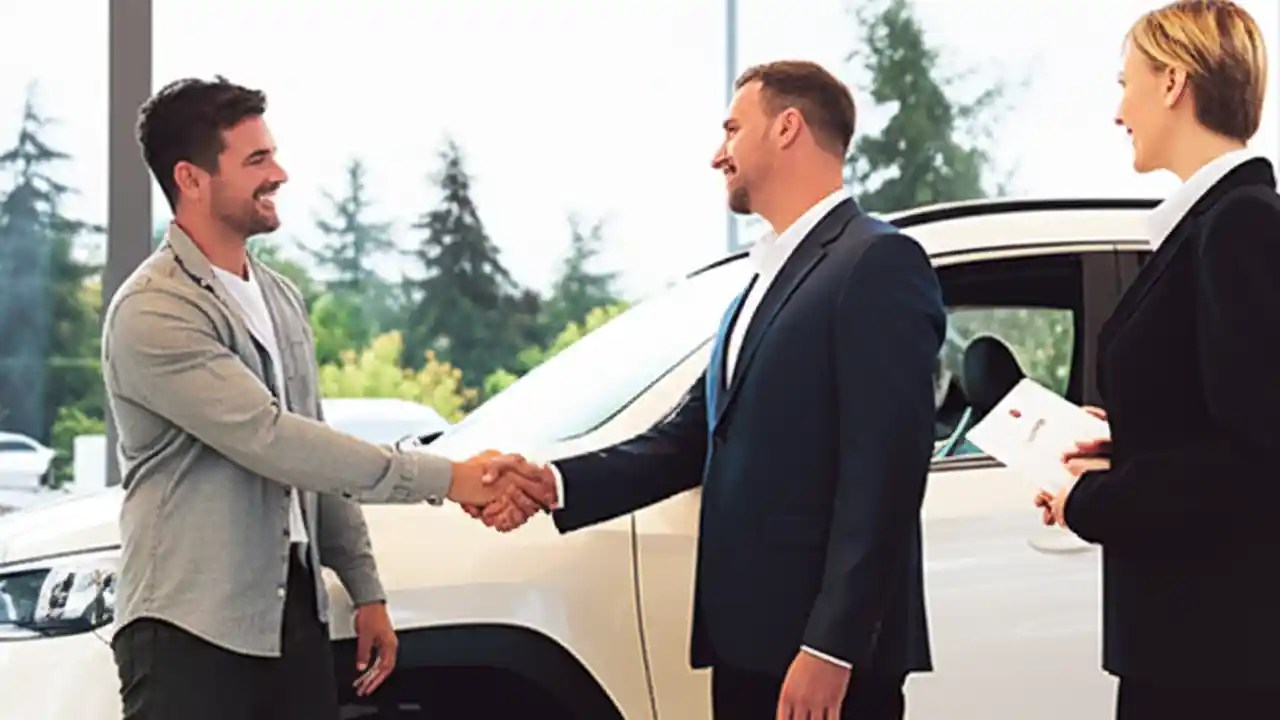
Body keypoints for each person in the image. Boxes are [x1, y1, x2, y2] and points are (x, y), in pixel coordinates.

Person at [474, 60, 945, 720]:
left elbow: (886, 477)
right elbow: (687, 439)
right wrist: (553, 481)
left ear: (787, 128)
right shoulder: (762, 283)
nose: (716, 154)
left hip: (820, 660)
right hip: (749, 647)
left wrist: (833, 649)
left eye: (731, 128)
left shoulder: (877, 262)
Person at [102, 76, 551, 720]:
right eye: (256, 160)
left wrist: (365, 589)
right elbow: (273, 440)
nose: (279, 173)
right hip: (190, 630)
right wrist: (451, 478)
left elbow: (312, 452)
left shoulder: (280, 298)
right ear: (191, 178)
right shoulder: (154, 309)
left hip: (293, 616)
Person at [1035, 2, 1279, 718]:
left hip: (1217, 660)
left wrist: (1091, 501)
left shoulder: (1240, 224)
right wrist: (1125, 439)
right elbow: (1220, 416)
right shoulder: (1213, 224)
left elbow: (1258, 460)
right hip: (1188, 647)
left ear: (1173, 81)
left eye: (1125, 82)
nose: (1119, 111)